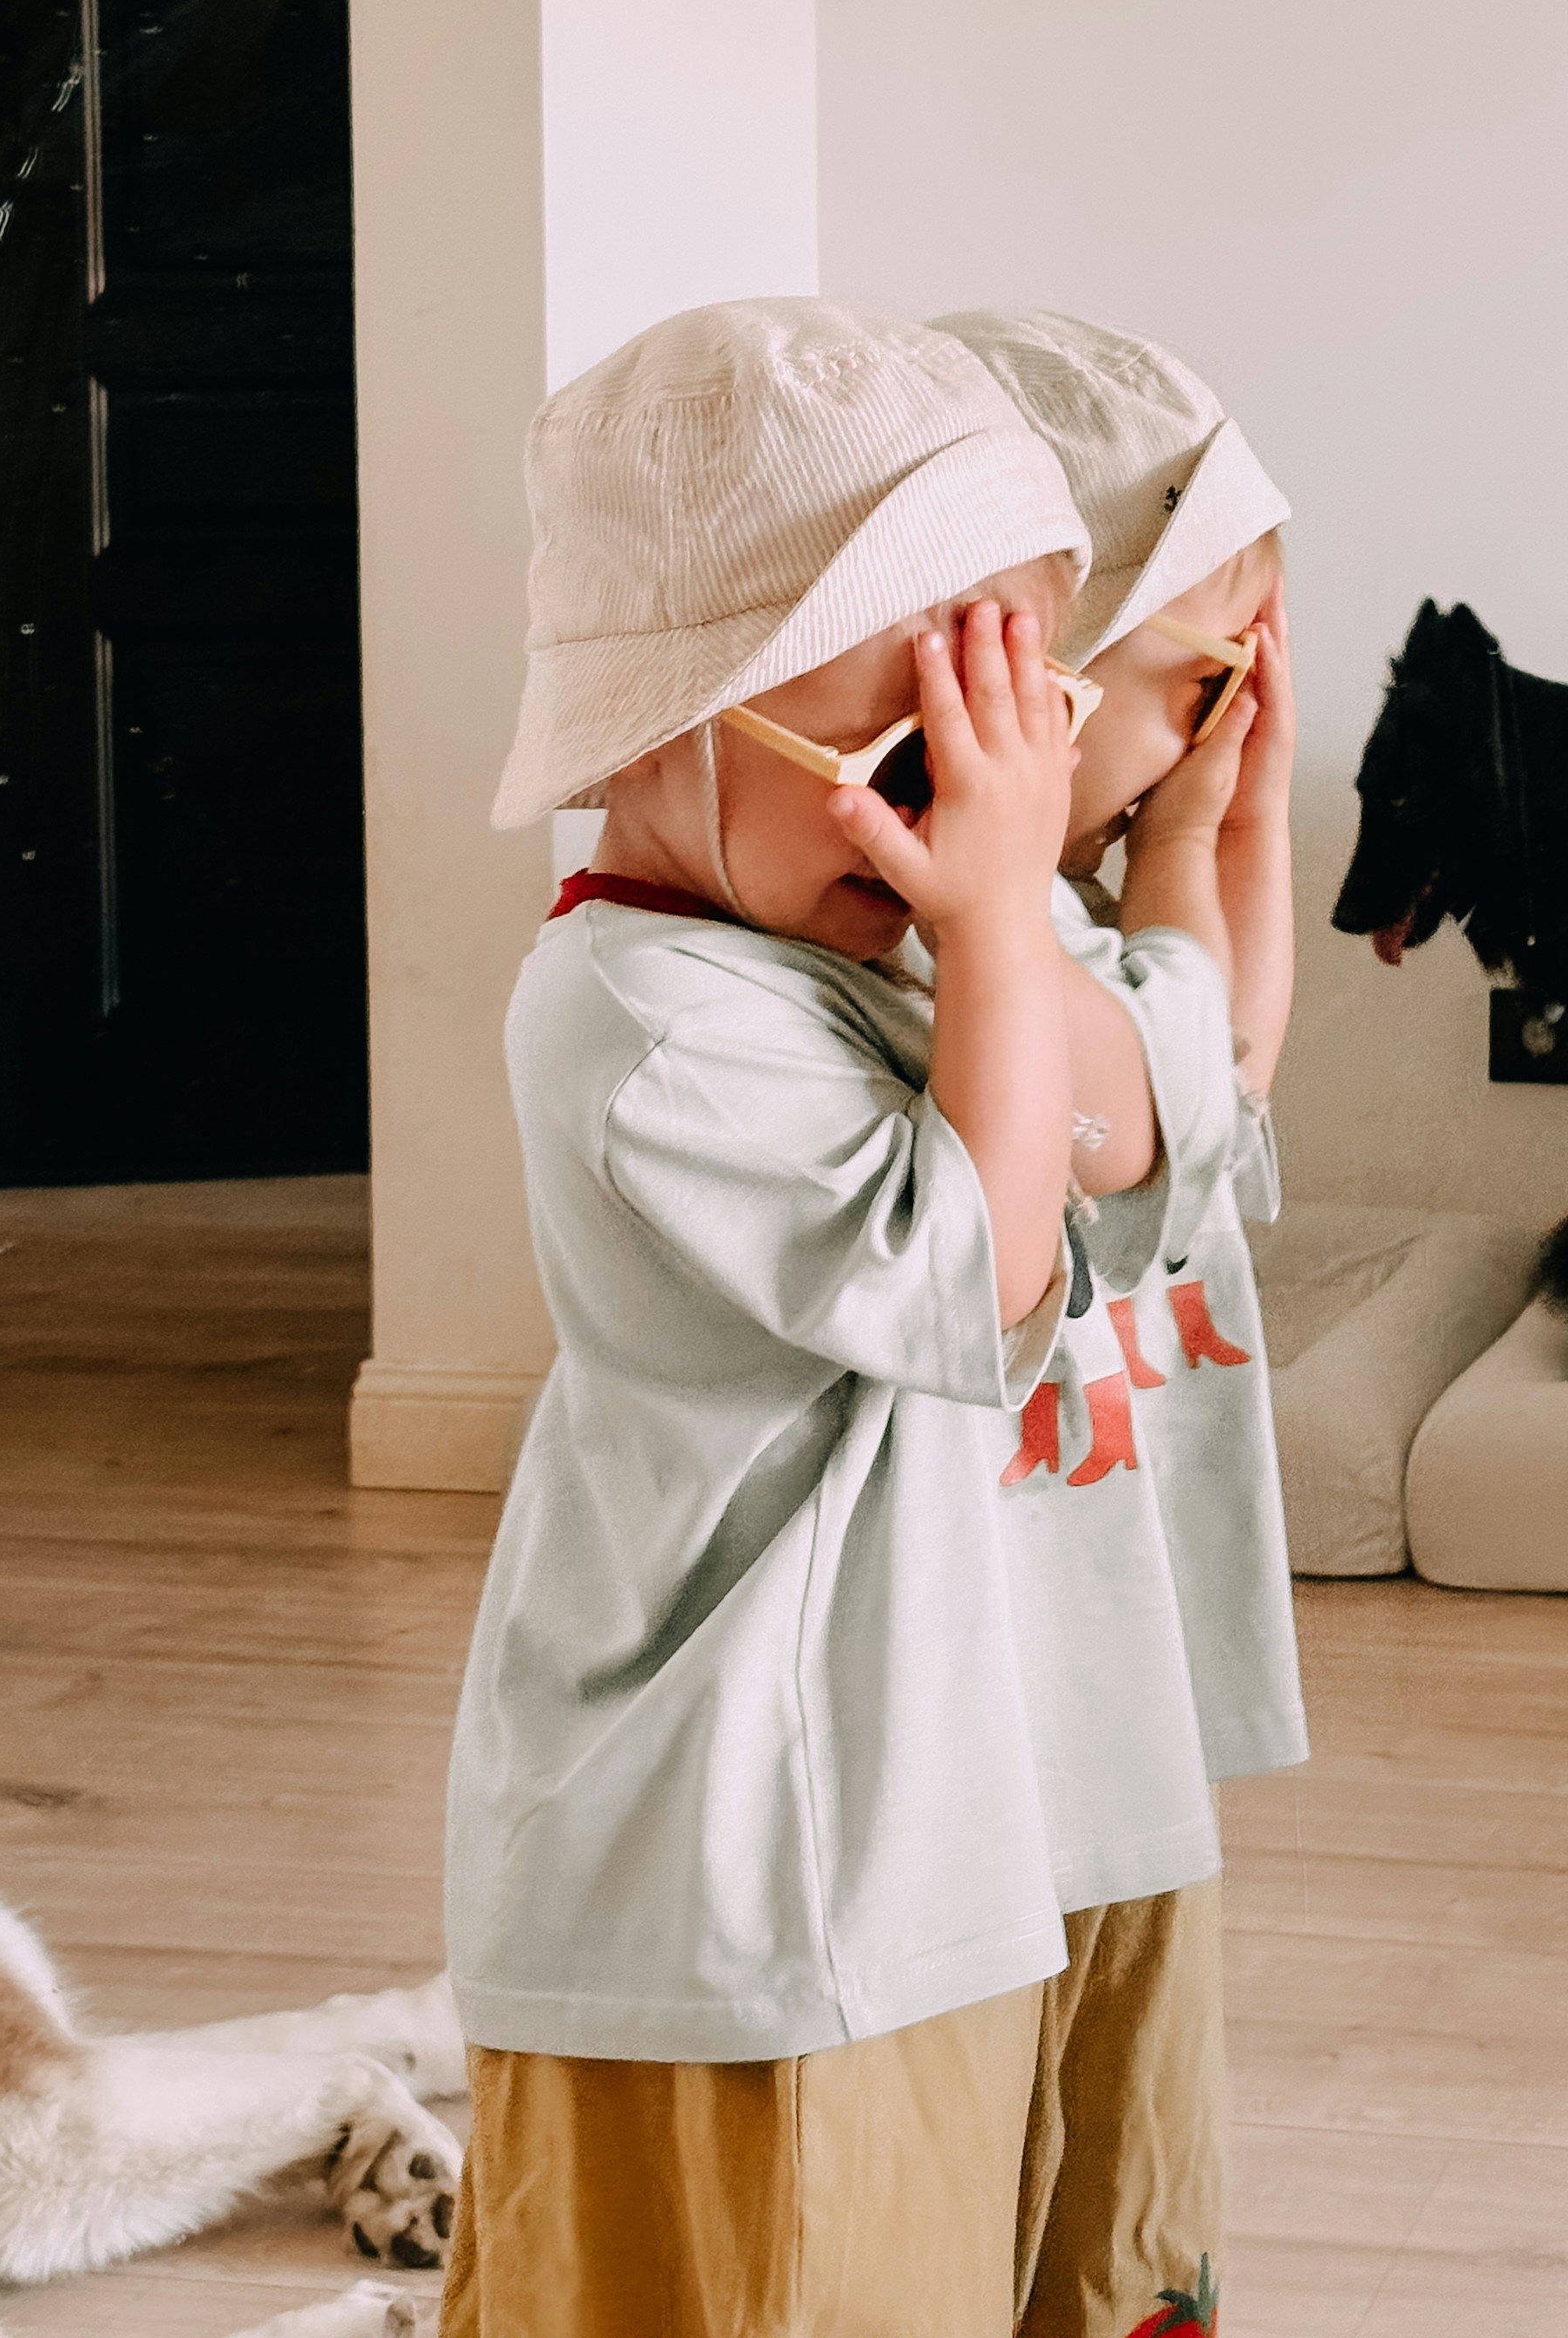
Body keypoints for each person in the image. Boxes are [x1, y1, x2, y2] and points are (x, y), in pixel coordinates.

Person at [440, 297, 1218, 2338]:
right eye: (903, 762)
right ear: (655, 725)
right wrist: (991, 926)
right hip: (739, 1866)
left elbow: (1149, 1115)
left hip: (923, 1808)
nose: (965, 827)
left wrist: (1024, 908)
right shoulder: (636, 1016)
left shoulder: (892, 927)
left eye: (1001, 753)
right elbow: (995, 1262)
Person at [935, 306, 1307, 2338]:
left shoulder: (1092, 924)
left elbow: (1234, 1052)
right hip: (991, 1700)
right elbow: (1156, 1098)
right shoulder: (992, 959)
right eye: (1200, 677)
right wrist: (1177, 843)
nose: (1233, 714)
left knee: (1135, 2139)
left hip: (1122, 1684)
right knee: (995, 2132)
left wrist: (1225, 806)